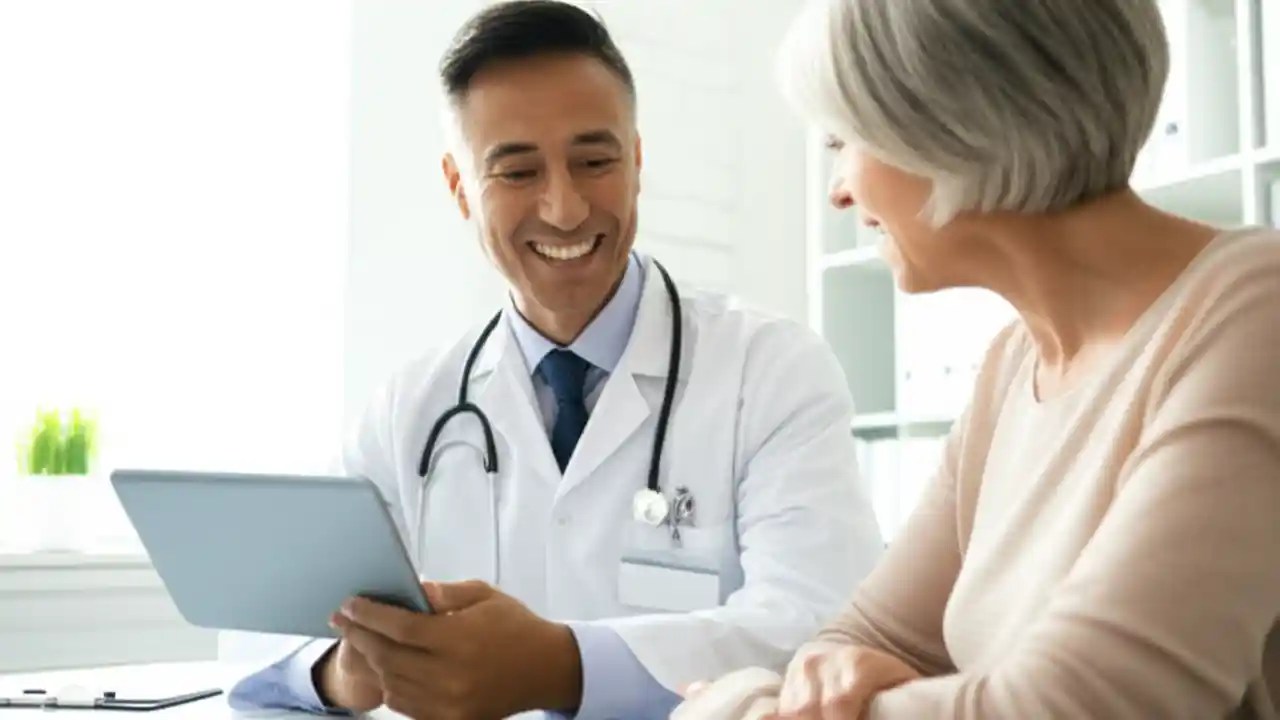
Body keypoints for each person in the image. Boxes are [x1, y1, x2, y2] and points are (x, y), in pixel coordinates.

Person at [226, 2, 883, 718]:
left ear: (636, 161)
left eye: (594, 161)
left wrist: (559, 666)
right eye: (516, 172)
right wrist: (347, 675)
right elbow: (265, 639)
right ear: (458, 189)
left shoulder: (772, 370)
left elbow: (816, 626)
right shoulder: (410, 409)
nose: (565, 207)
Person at [675, 0, 1280, 717]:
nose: (839, 191)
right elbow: (855, 639)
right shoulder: (1011, 366)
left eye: (844, 141)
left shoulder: (1254, 315)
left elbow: (1088, 706)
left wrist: (739, 703)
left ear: (947, 125)